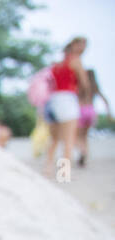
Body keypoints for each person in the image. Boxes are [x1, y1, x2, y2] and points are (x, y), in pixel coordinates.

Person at [45, 37, 91, 173]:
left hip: (53, 100)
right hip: (68, 100)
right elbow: (85, 84)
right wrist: (83, 97)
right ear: (74, 45)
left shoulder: (56, 64)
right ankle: (63, 174)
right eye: (83, 45)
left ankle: (47, 169)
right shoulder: (75, 61)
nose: (84, 48)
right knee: (69, 139)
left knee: (54, 139)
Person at [77, 69, 110, 168]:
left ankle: (82, 151)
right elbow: (105, 100)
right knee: (85, 136)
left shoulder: (82, 86)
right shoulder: (95, 87)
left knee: (78, 136)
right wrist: (109, 113)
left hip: (81, 110)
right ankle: (85, 154)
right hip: (91, 111)